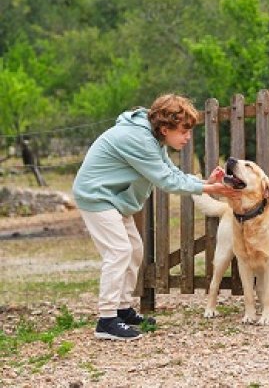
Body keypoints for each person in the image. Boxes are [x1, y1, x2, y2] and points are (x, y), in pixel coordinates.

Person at [73, 94, 238, 341]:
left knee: (135, 249)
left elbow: (170, 171)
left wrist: (205, 183)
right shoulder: (139, 139)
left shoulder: (152, 138)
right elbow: (166, 181)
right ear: (164, 128)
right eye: (184, 131)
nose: (188, 137)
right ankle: (106, 320)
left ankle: (122, 310)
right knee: (118, 251)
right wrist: (209, 189)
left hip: (114, 198)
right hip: (96, 197)